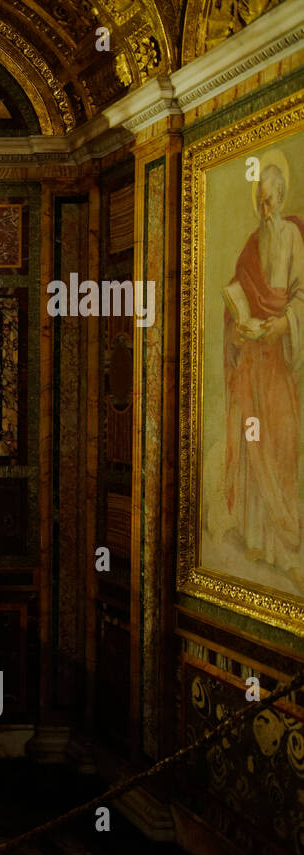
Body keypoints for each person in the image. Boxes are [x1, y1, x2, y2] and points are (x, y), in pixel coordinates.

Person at [221, 161, 304, 591]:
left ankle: (285, 545)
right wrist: (237, 328)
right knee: (255, 441)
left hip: (280, 363)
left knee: (282, 443)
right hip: (254, 361)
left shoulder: (293, 238)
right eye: (259, 202)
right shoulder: (253, 243)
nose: (264, 210)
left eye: (269, 201)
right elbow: (235, 297)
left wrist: (285, 323)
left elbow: (301, 295)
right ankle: (257, 538)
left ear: (282, 197)